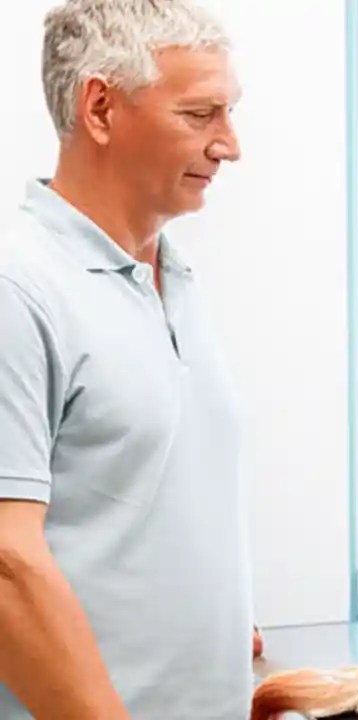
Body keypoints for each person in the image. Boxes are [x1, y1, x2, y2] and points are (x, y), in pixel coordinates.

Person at [0, 1, 253, 717]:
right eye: (201, 115)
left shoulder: (174, 277)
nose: (229, 144)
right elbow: (6, 565)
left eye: (230, 113)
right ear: (101, 109)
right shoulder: (18, 289)